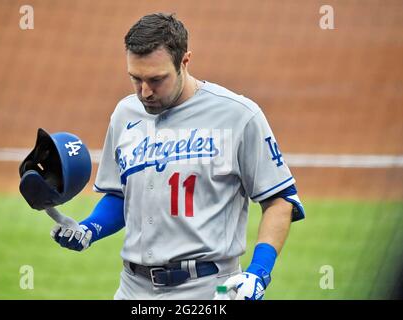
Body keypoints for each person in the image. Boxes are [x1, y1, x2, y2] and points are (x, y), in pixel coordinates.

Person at [51, 12, 305, 300]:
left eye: (156, 80)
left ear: (185, 61)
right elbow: (121, 196)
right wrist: (89, 229)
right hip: (132, 290)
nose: (145, 92)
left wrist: (259, 272)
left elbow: (280, 200)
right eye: (136, 79)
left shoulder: (238, 116)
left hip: (212, 289)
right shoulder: (125, 114)